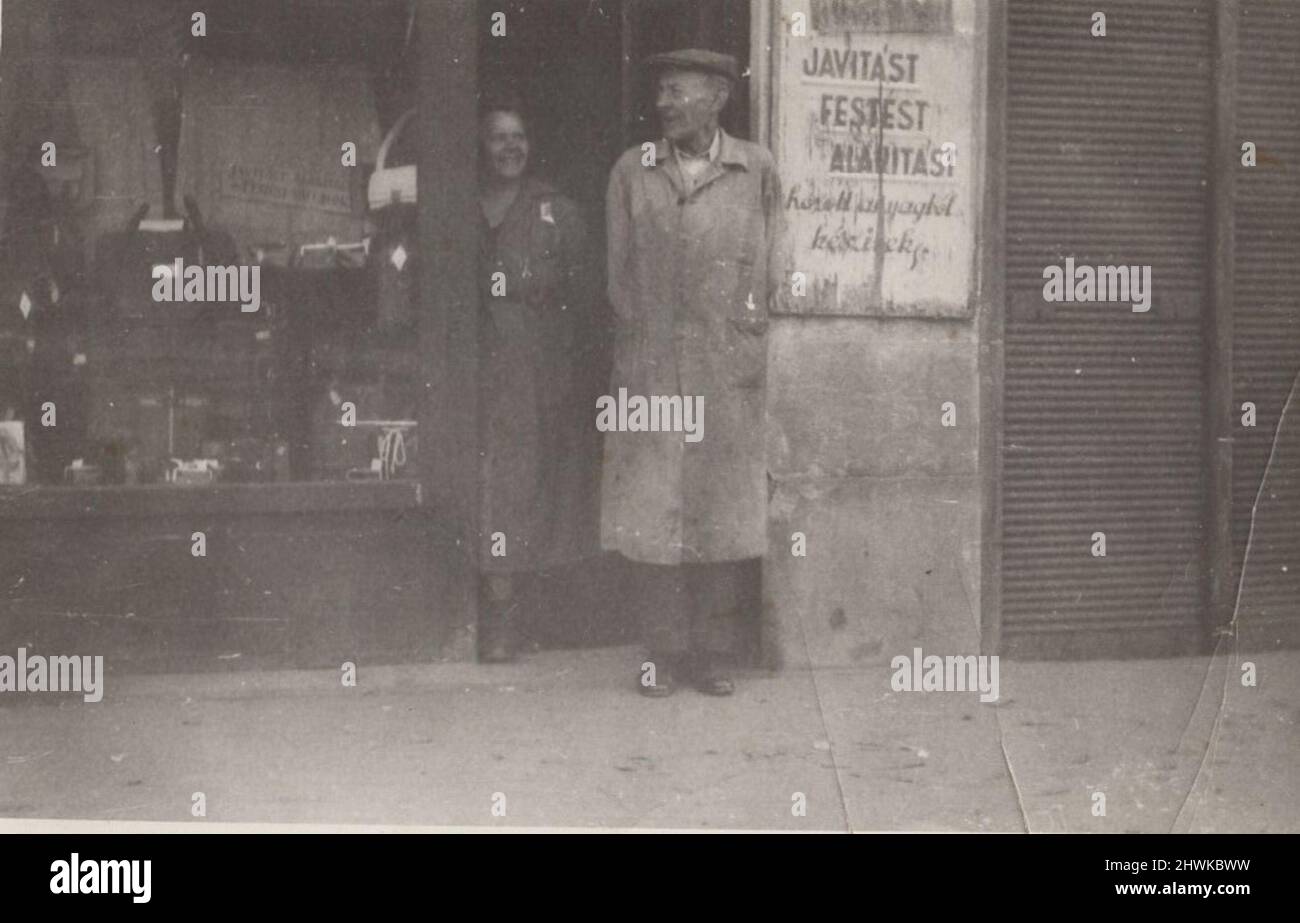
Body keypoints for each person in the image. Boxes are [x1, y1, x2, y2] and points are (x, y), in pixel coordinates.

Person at [601, 50, 788, 696]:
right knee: (654, 514)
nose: (663, 104)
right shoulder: (633, 170)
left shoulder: (755, 169)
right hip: (652, 370)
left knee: (721, 511)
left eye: (676, 92)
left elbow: (773, 266)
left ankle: (709, 654)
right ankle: (661, 653)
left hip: (725, 371)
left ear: (717, 98)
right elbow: (617, 280)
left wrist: (742, 338)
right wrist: (641, 354)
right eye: (660, 92)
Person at [476, 101, 597, 662]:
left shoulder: (556, 212)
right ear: (480, 146)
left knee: (531, 493)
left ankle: (522, 619)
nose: (511, 147)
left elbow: (583, 299)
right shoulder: (460, 205)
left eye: (519, 136)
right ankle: (496, 614)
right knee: (491, 493)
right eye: (498, 137)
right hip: (475, 376)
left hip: (536, 377)